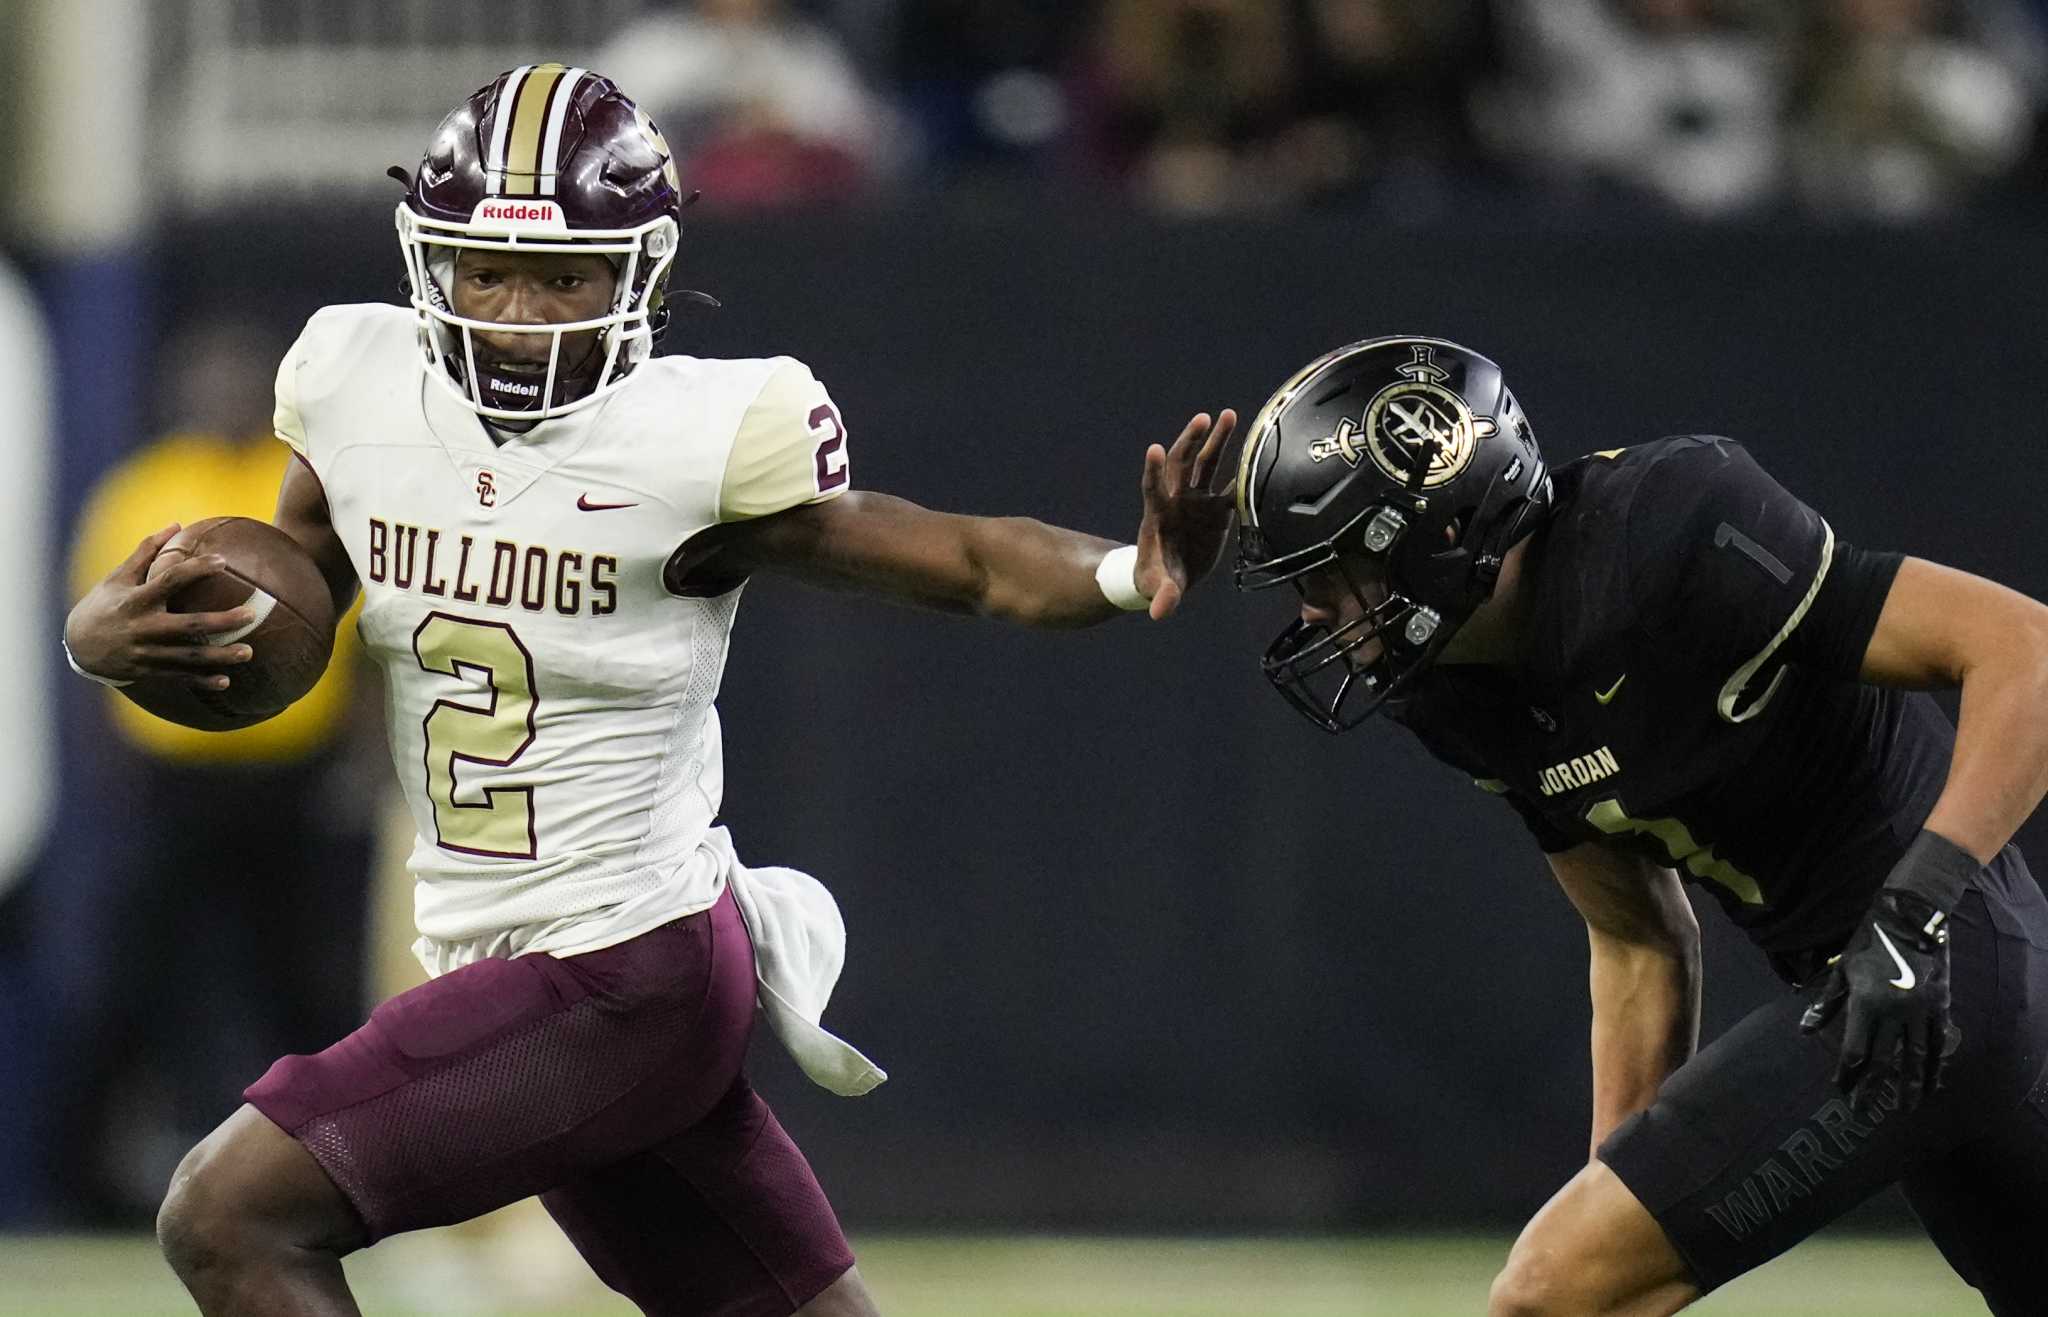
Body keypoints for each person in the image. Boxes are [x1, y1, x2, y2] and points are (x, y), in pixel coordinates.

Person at [61, 65, 1238, 1317]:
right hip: (527, 961)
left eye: (564, 278)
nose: (520, 314)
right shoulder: (358, 387)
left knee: (226, 1214)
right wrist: (98, 636)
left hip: (623, 968)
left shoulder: (693, 440)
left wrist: (1125, 571)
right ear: (429, 263)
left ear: (642, 275)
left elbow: (961, 559)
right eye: (486, 272)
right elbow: (289, 604)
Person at [1231, 336, 2048, 1314]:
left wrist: (1915, 907)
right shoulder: (1451, 691)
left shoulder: (1667, 530)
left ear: (1434, 532)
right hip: (1884, 994)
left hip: (1944, 960)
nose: (1315, 614)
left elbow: (2026, 650)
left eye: (1332, 573)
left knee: (1545, 1292)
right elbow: (1635, 941)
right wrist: (1609, 1192)